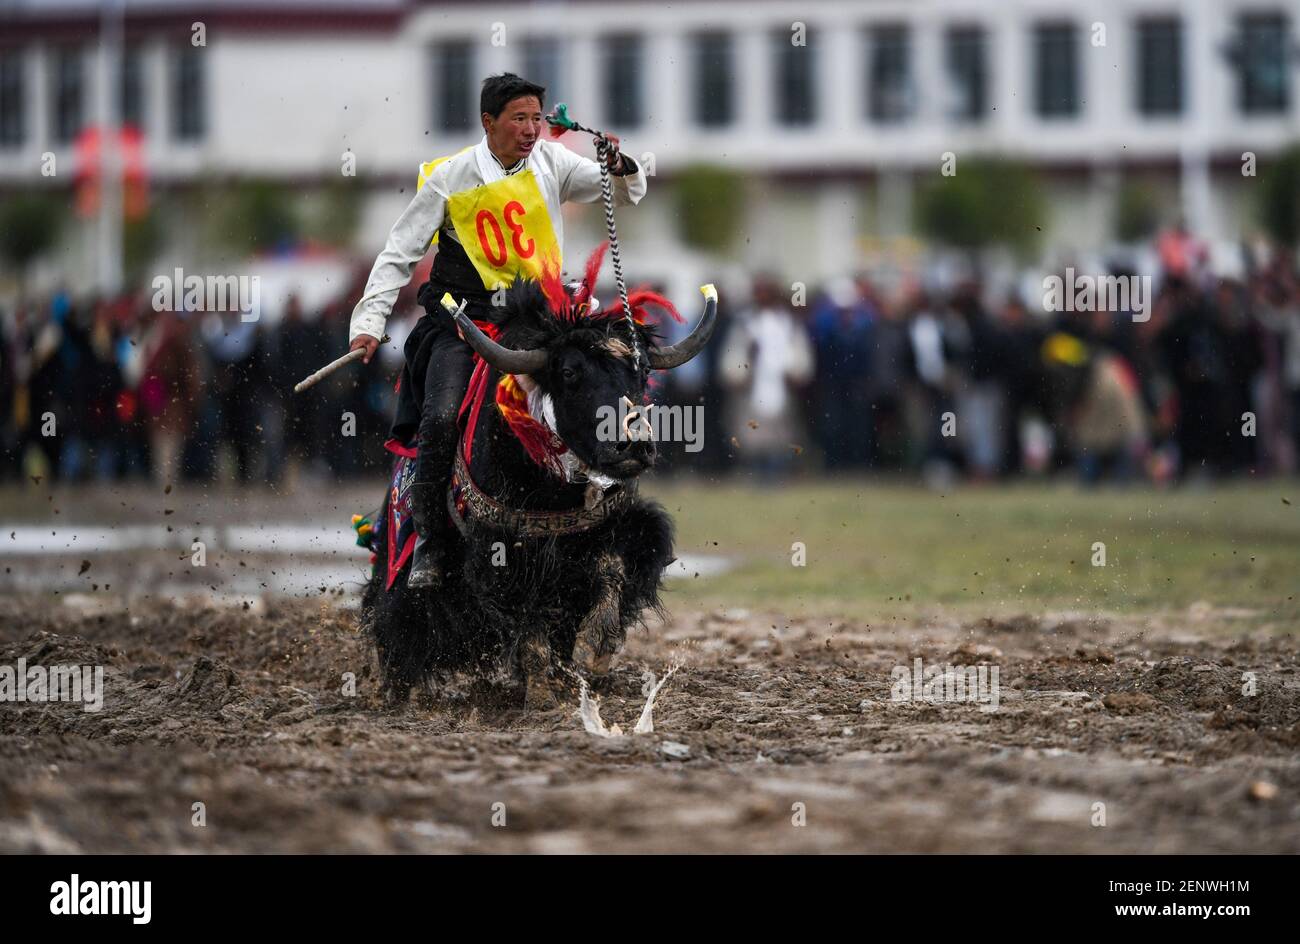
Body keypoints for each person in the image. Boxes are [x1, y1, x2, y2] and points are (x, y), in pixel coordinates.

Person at [347, 72, 647, 587]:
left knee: (602, 388)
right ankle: (433, 547)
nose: (531, 129)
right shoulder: (449, 176)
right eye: (519, 119)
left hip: (540, 326)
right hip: (464, 326)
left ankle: (604, 521)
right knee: (440, 417)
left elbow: (617, 190)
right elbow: (399, 253)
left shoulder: (553, 162)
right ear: (489, 122)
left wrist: (620, 165)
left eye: (537, 118)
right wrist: (368, 323)